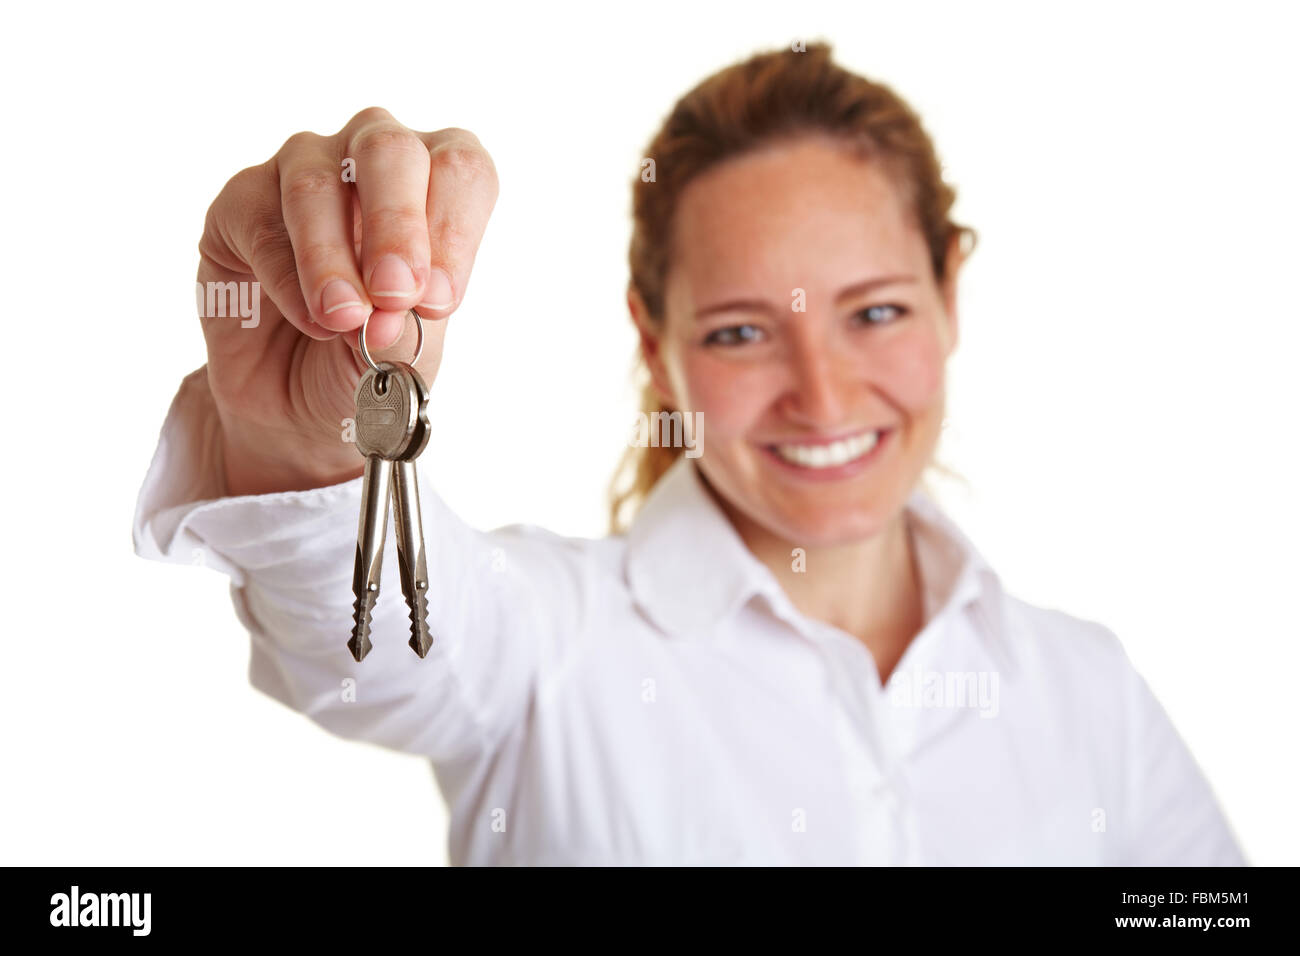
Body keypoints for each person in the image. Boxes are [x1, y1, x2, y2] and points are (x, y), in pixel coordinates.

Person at [134, 42, 1245, 865]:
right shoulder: (544, 646)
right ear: (652, 345)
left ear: (952, 294)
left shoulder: (1088, 690)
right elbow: (372, 657)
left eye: (876, 312)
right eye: (739, 331)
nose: (821, 395)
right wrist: (300, 439)